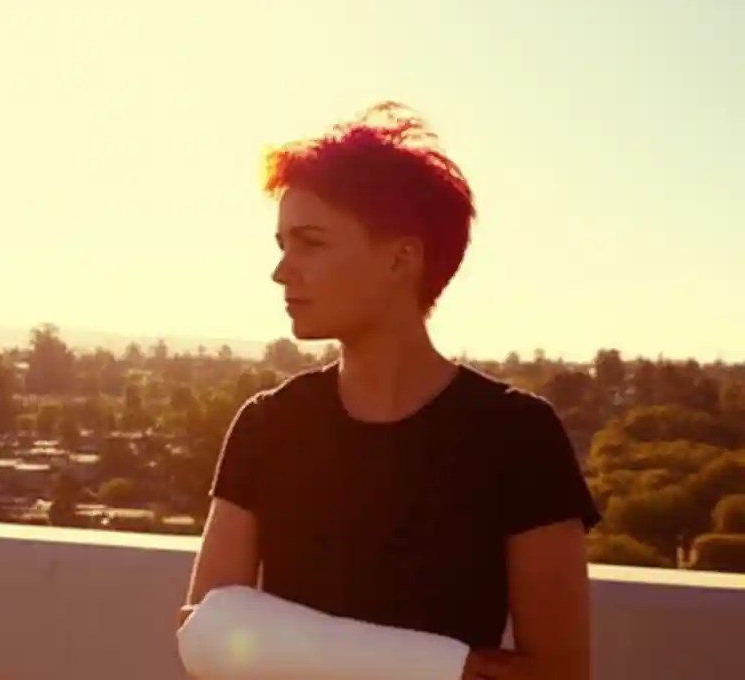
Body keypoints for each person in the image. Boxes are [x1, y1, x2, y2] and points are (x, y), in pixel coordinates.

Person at [178, 102, 601, 680]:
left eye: (310, 242)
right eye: (282, 244)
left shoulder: (518, 436)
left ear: (401, 258)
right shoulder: (268, 424)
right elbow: (206, 630)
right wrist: (435, 667)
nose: (282, 270)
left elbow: (558, 676)